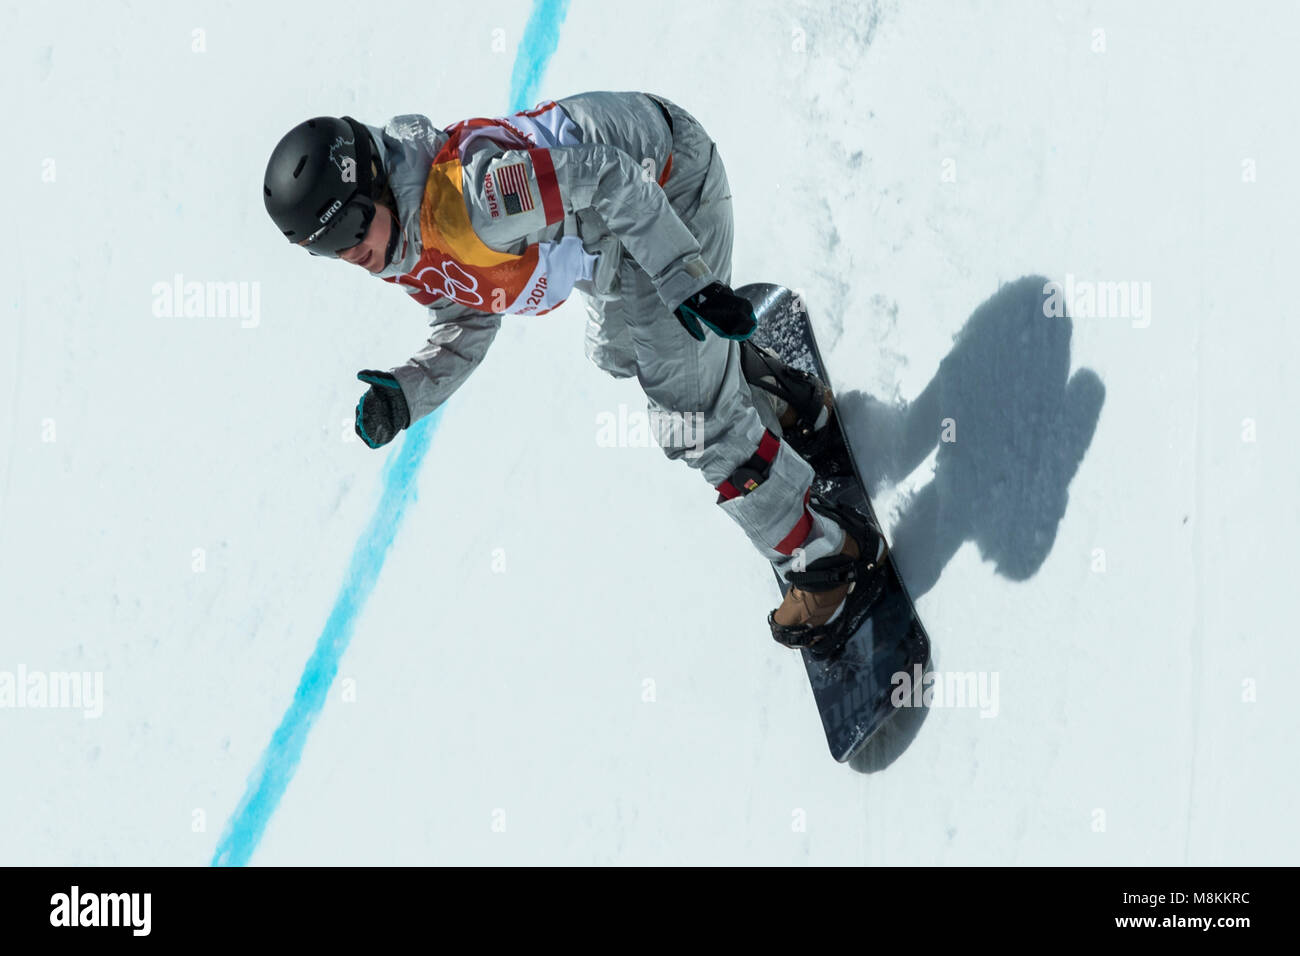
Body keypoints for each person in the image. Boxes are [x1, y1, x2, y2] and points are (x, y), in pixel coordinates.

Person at [262, 92, 885, 655]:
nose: (350, 253)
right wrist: (407, 394)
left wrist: (682, 279)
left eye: (347, 227)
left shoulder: (473, 201)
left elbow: (612, 176)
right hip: (615, 241)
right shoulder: (400, 237)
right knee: (617, 352)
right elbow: (468, 316)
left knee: (691, 422)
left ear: (373, 179)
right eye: (326, 247)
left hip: (671, 191)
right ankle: (772, 398)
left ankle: (829, 564)